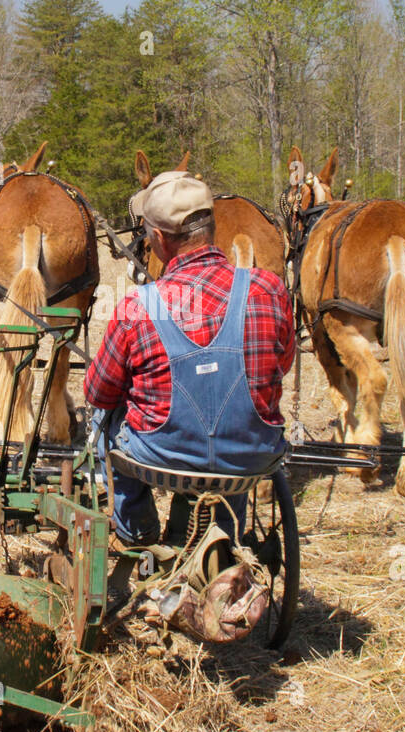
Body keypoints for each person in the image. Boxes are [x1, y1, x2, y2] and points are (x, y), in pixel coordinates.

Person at [84, 170, 295, 547]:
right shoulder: (271, 289)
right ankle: (225, 538)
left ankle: (137, 528)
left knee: (103, 415)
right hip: (250, 456)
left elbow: (99, 392)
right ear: (211, 226)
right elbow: (282, 365)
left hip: (160, 456)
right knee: (243, 416)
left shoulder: (137, 306)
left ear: (160, 239)